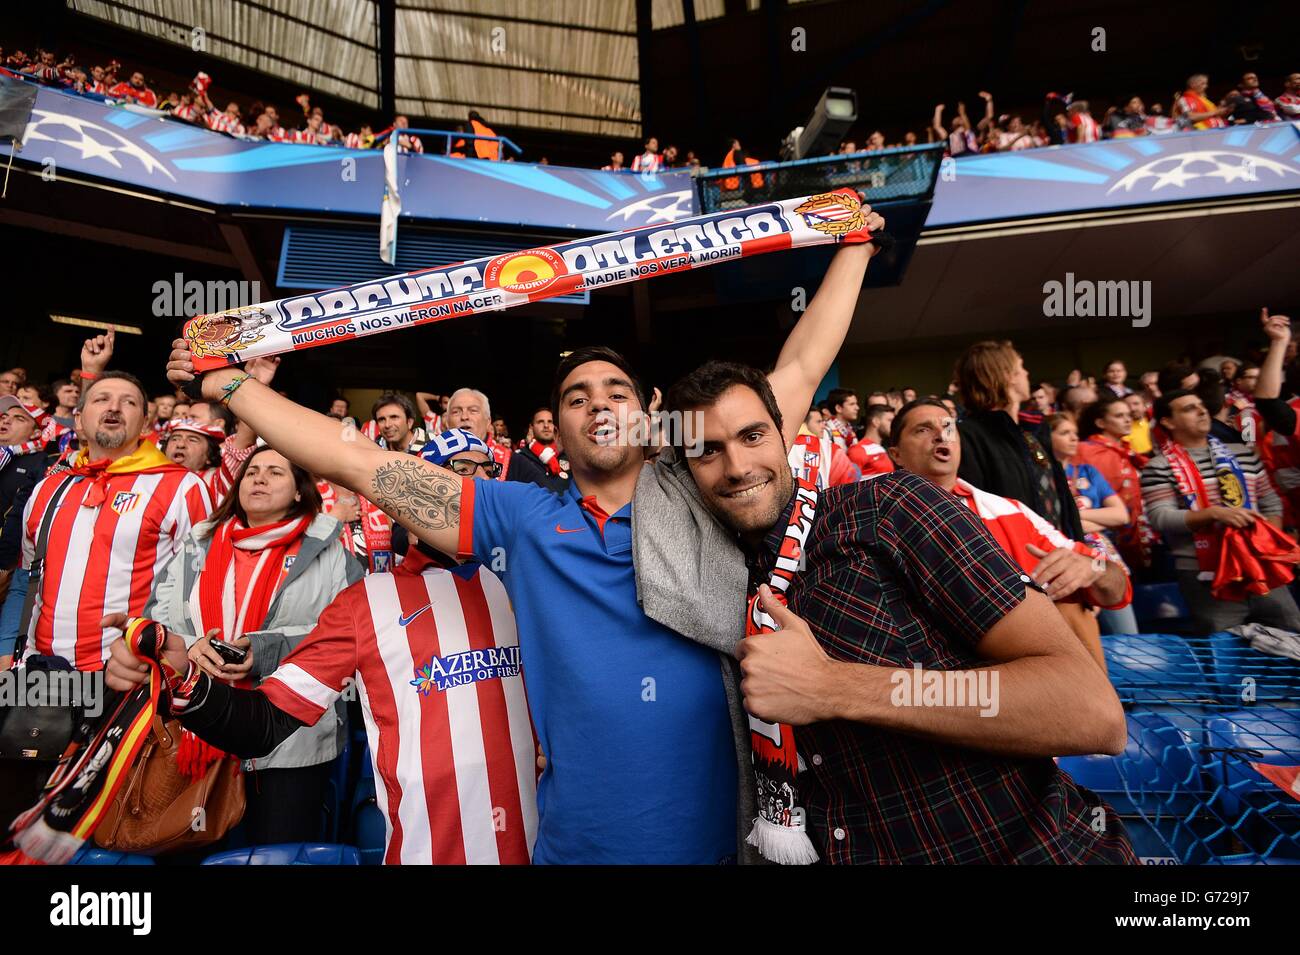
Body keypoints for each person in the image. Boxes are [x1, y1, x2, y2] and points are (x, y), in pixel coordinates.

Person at [163, 223, 885, 864]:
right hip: (575, 846)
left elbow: (799, 369)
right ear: (556, 429)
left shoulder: (699, 479)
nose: (599, 402)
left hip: (721, 843)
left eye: (617, 391)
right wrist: (229, 386)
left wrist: (854, 245)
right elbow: (355, 460)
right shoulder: (519, 515)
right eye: (576, 396)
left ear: (650, 416)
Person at [661, 364, 1134, 863]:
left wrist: (834, 686)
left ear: (785, 435)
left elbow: (1088, 710)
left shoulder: (889, 507)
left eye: (752, 435)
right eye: (706, 450)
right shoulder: (721, 586)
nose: (736, 466)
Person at [108, 429, 536, 864]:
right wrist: (188, 679)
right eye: (459, 470)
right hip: (428, 851)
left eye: (488, 470)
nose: (477, 483)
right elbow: (260, 724)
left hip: (547, 844)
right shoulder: (369, 600)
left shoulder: (531, 581)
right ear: (411, 491)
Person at [135, 446, 361, 844]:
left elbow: (353, 636)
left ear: (298, 491)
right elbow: (159, 617)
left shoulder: (332, 553)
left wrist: (266, 650)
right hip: (200, 727)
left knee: (278, 852)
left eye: (275, 472)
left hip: (291, 738)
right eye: (252, 471)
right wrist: (190, 648)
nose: (259, 478)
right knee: (195, 849)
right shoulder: (196, 546)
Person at [891, 399, 1129, 667]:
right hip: (926, 682)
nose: (940, 435)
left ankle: (1096, 705)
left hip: (1026, 680)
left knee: (1073, 607)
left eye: (948, 428)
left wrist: (1093, 568)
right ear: (896, 454)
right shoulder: (872, 514)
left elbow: (1117, 586)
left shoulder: (1011, 511)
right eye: (922, 429)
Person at [0, 372, 212, 672]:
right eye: (101, 399)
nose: (113, 407)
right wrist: (6, 651)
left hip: (126, 674)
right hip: (35, 669)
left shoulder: (182, 487)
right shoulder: (48, 488)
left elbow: (198, 589)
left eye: (128, 402)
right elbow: (25, 581)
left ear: (145, 423)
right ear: (79, 420)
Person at [1141, 389, 1298, 633]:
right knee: (1225, 655)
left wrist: (1262, 541)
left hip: (1261, 567)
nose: (1202, 411)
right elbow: (1161, 517)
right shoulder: (1158, 466)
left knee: (1293, 637)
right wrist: (1215, 513)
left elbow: (1271, 504)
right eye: (1189, 408)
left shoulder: (1244, 454)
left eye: (1201, 405)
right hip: (1204, 574)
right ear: (1168, 421)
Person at [954, 341, 1085, 540]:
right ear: (1006, 375)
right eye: (1021, 367)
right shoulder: (967, 436)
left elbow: (1064, 502)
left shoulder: (1033, 430)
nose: (1026, 373)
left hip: (1063, 555)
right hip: (1019, 562)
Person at [1050, 412, 1140, 636]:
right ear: (1046, 438)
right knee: (1085, 640)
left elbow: (1120, 515)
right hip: (1064, 562)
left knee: (1128, 636)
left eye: (1075, 433)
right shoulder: (1039, 477)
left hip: (1102, 558)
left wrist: (1075, 521)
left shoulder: (1088, 471)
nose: (1073, 439)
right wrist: (1093, 520)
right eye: (1064, 433)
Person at [1075, 396, 1148, 569]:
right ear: (1100, 422)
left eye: (1128, 415)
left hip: (1133, 535)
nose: (1128, 419)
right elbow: (1085, 499)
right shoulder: (1086, 451)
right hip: (1103, 536)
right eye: (1119, 415)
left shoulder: (1125, 451)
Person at [444, 388, 508, 479]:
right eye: (456, 412)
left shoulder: (517, 464)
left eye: (473, 410)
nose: (464, 417)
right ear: (447, 422)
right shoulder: (431, 462)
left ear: (488, 421)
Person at [508, 407, 567, 492]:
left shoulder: (570, 455)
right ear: (531, 427)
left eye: (550, 422)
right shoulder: (519, 458)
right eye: (540, 422)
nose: (546, 426)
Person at [845, 404, 894, 479]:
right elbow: (848, 486)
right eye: (889, 420)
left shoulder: (882, 449)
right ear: (875, 422)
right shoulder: (858, 451)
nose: (893, 425)